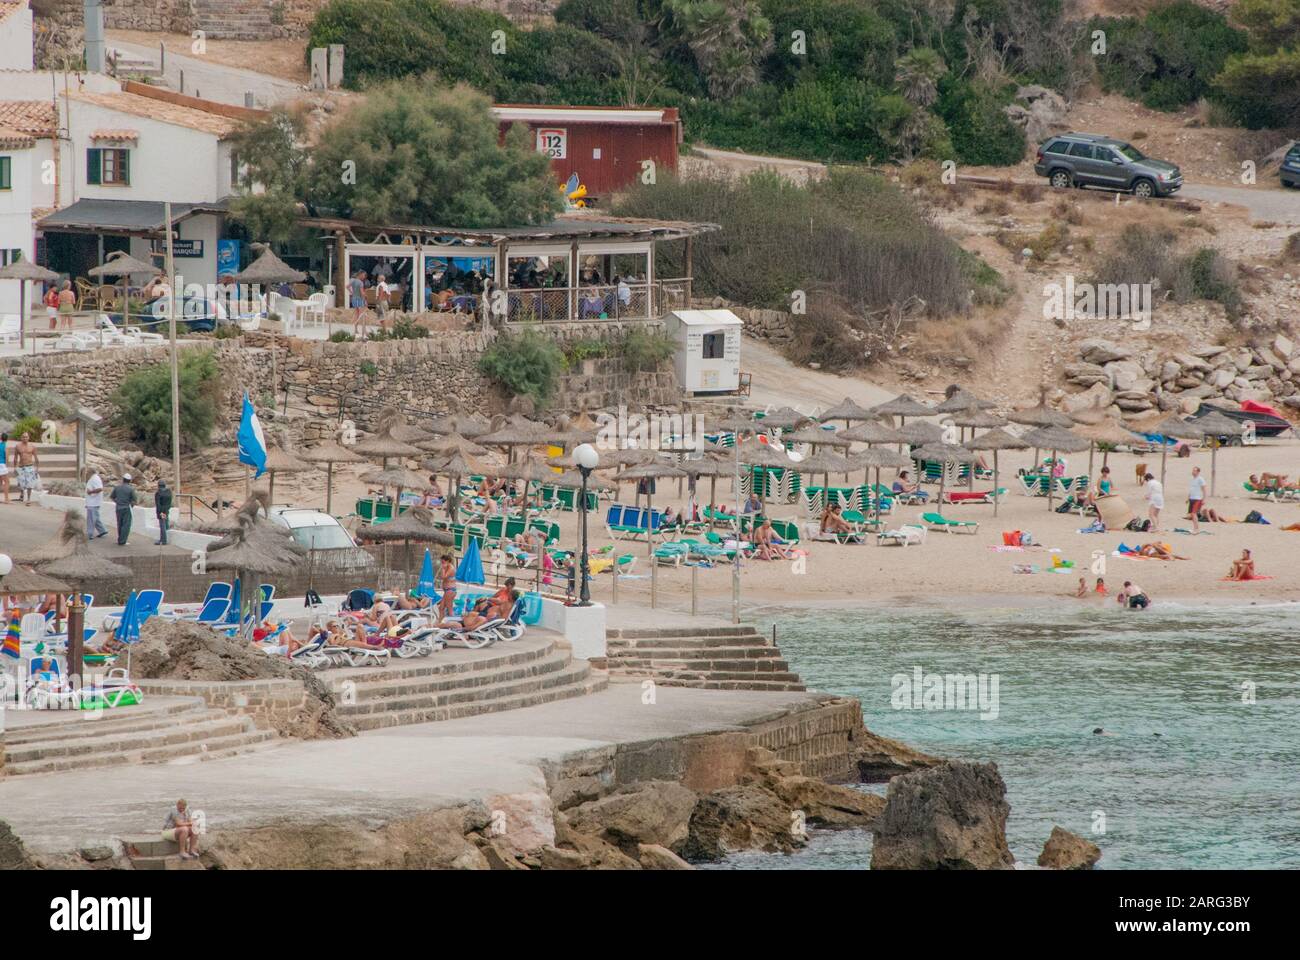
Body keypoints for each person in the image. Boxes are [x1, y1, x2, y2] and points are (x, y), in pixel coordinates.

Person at [13, 432, 40, 505]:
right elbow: (15, 458)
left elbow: (36, 458)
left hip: (30, 466)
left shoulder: (32, 446)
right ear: (21, 438)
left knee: (29, 484)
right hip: (21, 467)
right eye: (23, 437)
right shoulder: (18, 446)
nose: (25, 438)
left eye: (26, 437)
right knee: (21, 483)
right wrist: (14, 467)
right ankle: (22, 494)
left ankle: (28, 499)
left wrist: (37, 468)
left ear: (28, 438)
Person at [110, 473, 136, 545]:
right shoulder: (131, 489)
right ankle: (122, 541)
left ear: (123, 479)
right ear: (129, 481)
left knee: (120, 524)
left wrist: (117, 502)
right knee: (126, 525)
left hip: (118, 508)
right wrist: (131, 506)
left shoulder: (117, 487)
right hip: (126, 508)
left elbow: (112, 497)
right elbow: (134, 500)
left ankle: (120, 539)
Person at [84, 468, 107, 539]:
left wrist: (90, 492)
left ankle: (90, 534)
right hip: (92, 502)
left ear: (91, 472)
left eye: (87, 472)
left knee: (91, 519)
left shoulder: (95, 479)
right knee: (95, 518)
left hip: (93, 503)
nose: (86, 473)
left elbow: (100, 489)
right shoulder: (94, 478)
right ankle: (102, 530)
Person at [436, 553, 457, 621]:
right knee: (441, 608)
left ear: (447, 561)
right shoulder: (447, 567)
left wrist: (443, 568)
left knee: (449, 608)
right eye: (441, 562)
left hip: (450, 590)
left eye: (443, 562)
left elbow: (443, 577)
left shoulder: (451, 568)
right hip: (447, 590)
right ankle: (440, 622)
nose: (441, 563)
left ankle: (453, 622)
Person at [1187, 465, 1206, 535]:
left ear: (1198, 472)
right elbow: (1191, 489)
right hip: (1192, 498)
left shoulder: (1200, 479)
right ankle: (1195, 528)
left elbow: (1204, 489)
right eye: (1193, 470)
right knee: (1191, 514)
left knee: (1194, 513)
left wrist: (1204, 499)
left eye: (1194, 470)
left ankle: (1197, 529)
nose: (1193, 472)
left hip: (1198, 498)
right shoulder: (1192, 479)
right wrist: (1188, 498)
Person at [154, 478, 173, 545]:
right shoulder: (169, 492)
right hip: (166, 509)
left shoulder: (158, 493)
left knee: (162, 526)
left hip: (161, 511)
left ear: (158, 485)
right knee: (166, 524)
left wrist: (160, 512)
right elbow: (170, 502)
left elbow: (158, 504)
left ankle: (163, 540)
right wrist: (167, 509)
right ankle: (164, 538)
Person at [349, 270, 367, 337]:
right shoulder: (360, 283)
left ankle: (356, 329)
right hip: (359, 299)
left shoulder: (353, 281)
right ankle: (364, 330)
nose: (364, 277)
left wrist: (352, 292)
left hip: (354, 299)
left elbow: (347, 286)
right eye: (364, 275)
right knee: (362, 314)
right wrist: (365, 299)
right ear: (360, 274)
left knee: (357, 314)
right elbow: (362, 293)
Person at [0, 431, 9, 504]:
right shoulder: (5, 446)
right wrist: (6, 466)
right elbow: (7, 458)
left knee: (0, 482)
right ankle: (6, 499)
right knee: (7, 482)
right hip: (2, 465)